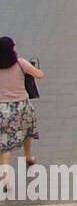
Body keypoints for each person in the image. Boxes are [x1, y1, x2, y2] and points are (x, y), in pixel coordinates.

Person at [0, 37, 41, 190]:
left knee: (4, 145)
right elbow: (39, 74)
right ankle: (28, 156)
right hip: (22, 107)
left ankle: (5, 175)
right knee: (27, 132)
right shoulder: (21, 63)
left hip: (2, 110)